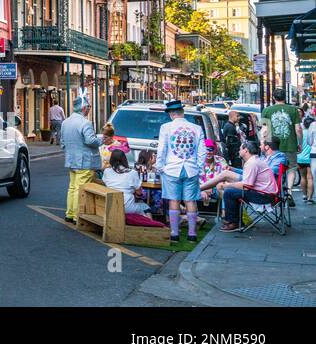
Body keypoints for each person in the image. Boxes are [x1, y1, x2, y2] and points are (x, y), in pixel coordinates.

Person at [155, 99, 206, 241]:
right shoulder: (196, 128)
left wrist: (160, 167)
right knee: (190, 201)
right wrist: (198, 167)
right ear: (182, 113)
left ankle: (175, 233)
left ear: (171, 114)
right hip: (191, 168)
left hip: (171, 168)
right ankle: (192, 234)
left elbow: (162, 149)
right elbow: (202, 151)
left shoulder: (166, 128)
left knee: (174, 200)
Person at [218, 138, 279, 232]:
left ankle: (234, 222)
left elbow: (246, 186)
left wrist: (227, 185)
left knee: (229, 192)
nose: (239, 151)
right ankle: (234, 220)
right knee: (232, 191)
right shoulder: (255, 161)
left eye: (240, 149)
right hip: (267, 194)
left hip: (264, 196)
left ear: (246, 150)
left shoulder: (252, 163)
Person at [61, 96, 102, 223]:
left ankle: (70, 213)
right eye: (89, 107)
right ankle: (76, 215)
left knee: (72, 187)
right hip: (85, 161)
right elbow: (90, 141)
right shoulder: (85, 123)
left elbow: (62, 143)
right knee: (80, 188)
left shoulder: (65, 122)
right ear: (84, 108)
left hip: (71, 160)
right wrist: (101, 140)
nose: (89, 109)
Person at [262, 89, 303, 190]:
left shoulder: (266, 110)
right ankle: (289, 192)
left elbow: (264, 130)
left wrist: (264, 144)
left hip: (273, 146)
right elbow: (298, 129)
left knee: (272, 168)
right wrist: (300, 143)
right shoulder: (294, 110)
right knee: (291, 168)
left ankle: (274, 190)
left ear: (273, 98)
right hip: (290, 145)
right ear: (285, 97)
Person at [101, 149, 149, 213]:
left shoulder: (107, 171)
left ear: (111, 159)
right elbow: (139, 193)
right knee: (146, 207)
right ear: (124, 159)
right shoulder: (132, 173)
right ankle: (151, 223)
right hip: (126, 207)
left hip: (110, 205)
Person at [300, 115, 315, 204]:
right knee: (310, 178)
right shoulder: (312, 132)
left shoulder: (301, 133)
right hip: (310, 158)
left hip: (300, 158)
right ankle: (310, 198)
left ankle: (304, 195)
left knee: (303, 177)